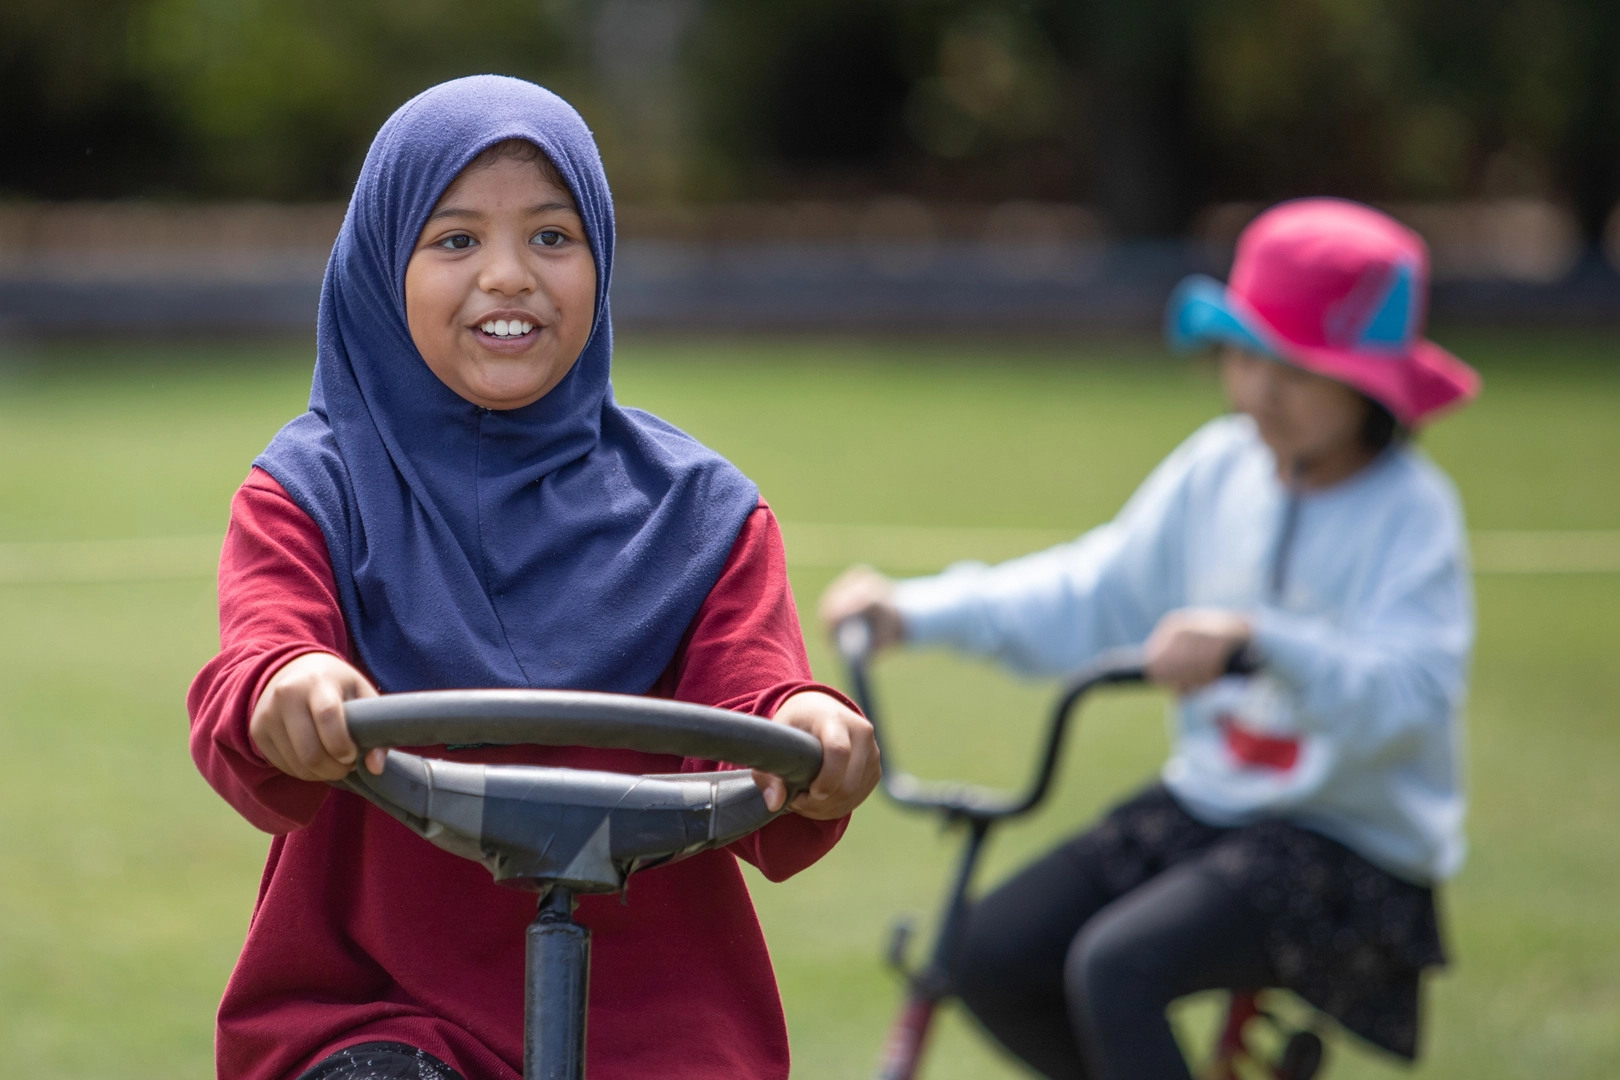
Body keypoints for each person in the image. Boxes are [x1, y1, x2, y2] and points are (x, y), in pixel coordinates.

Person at [188, 76, 879, 1080]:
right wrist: (286, 691)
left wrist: (812, 730)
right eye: (456, 239)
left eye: (552, 238)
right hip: (380, 1003)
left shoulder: (702, 513)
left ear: (602, 261)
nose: (509, 275)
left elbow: (757, 702)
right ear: (383, 266)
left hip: (652, 1023)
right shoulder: (311, 491)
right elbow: (258, 660)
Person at [820, 198, 1480, 1080]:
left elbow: (1411, 698)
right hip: (1210, 805)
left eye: (1297, 367)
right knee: (988, 956)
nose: (1260, 389)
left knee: (1116, 965)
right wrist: (916, 611)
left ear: (1370, 385)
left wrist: (1260, 639)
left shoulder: (1410, 513)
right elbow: (1092, 593)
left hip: (1346, 845)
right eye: (1246, 354)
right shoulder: (1219, 469)